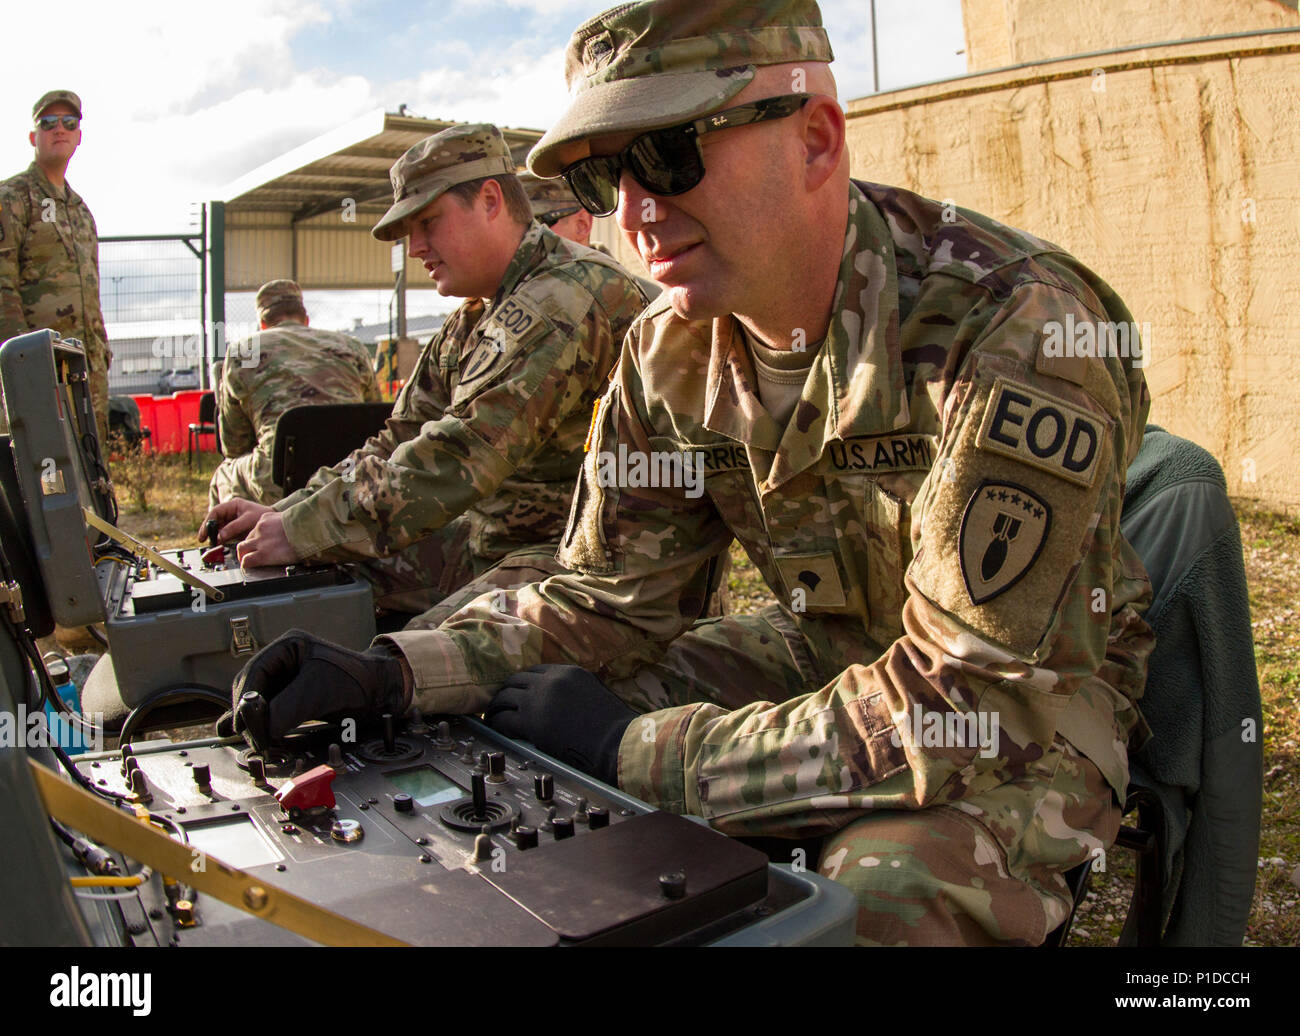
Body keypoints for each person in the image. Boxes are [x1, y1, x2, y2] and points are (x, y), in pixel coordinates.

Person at [225, 0, 1153, 946]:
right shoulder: (668, 351)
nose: (632, 213)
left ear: (818, 142)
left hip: (1030, 722)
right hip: (824, 654)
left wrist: (642, 757)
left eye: (668, 154)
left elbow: (967, 704)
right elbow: (606, 600)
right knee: (516, 720)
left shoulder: (1015, 328)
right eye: (601, 174)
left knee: (881, 887)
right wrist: (395, 673)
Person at [202, 123, 646, 622]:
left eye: (428, 222)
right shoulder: (479, 312)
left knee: (410, 653)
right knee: (327, 585)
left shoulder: (559, 300)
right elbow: (401, 436)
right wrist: (292, 513)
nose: (414, 247)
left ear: (490, 200)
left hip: (596, 557)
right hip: (502, 538)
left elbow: (458, 455)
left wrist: (305, 527)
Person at [208, 279, 382, 507]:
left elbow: (234, 446)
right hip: (351, 475)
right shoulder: (353, 346)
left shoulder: (243, 351)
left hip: (278, 481)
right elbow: (373, 419)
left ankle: (233, 540)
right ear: (306, 319)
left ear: (262, 324)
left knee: (224, 474)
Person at [0, 91, 110, 444]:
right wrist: (22, 360)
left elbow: (90, 292)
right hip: (37, 368)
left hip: (85, 371)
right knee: (41, 469)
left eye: (69, 123)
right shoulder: (12, 198)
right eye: (48, 123)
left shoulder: (80, 210)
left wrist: (101, 352)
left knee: (92, 471)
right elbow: (2, 283)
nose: (59, 129)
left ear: (79, 136)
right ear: (34, 137)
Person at [520, 172, 660, 301]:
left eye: (537, 225)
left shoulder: (641, 301)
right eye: (518, 229)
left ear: (582, 224)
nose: (526, 238)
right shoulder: (516, 299)